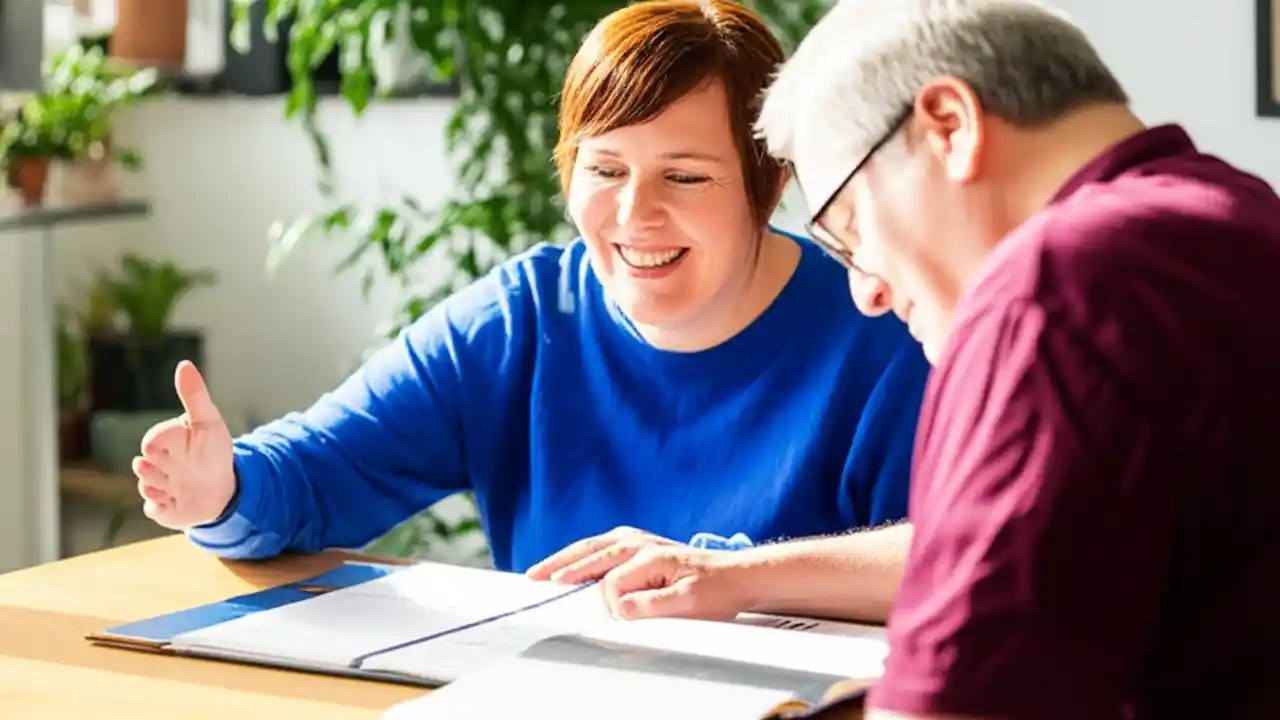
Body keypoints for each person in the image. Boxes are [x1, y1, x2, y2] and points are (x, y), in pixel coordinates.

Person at [131, 0, 929, 590]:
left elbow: (962, 561)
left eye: (685, 176)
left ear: (769, 182)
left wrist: (733, 574)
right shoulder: (519, 322)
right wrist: (219, 488)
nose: (634, 214)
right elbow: (314, 475)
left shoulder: (881, 334)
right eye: (605, 170)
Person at [751, 0, 1280, 718]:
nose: (866, 291)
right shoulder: (1241, 217)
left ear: (948, 126)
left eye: (849, 229)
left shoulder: (1054, 292)